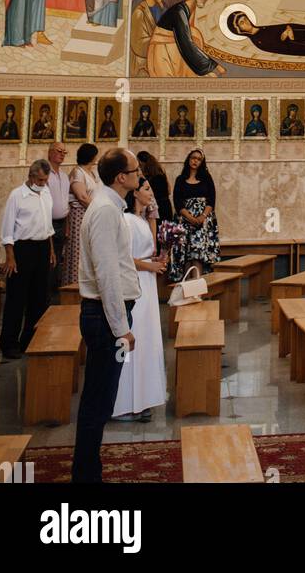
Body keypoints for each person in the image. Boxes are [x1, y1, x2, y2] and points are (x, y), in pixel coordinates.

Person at [72, 148, 140, 483]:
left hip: (107, 315)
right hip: (103, 316)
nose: (140, 174)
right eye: (135, 169)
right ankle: (85, 476)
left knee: (100, 398)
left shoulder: (110, 207)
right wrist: (121, 328)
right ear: (121, 177)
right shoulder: (103, 211)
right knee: (98, 400)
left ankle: (88, 471)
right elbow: (107, 274)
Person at [112, 177, 167, 422]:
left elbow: (145, 252)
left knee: (145, 339)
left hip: (147, 282)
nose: (151, 193)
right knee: (130, 342)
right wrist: (149, 266)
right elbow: (123, 257)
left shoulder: (142, 220)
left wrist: (157, 262)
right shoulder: (126, 220)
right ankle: (122, 403)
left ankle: (142, 398)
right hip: (135, 283)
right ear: (134, 194)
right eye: (146, 189)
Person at [0, 158, 55, 359]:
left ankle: (30, 339)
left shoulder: (46, 192)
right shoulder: (17, 196)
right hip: (22, 249)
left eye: (45, 180)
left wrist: (50, 250)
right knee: (17, 298)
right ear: (31, 177)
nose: (42, 184)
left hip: (42, 247)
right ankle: (9, 343)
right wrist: (10, 257)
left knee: (39, 297)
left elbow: (47, 225)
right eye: (39, 180)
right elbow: (7, 229)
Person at [167, 148, 220, 281]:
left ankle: (197, 291)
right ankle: (186, 291)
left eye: (198, 159)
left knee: (198, 255)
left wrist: (202, 217)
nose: (195, 161)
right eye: (193, 158)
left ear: (202, 162)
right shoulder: (180, 179)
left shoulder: (206, 178)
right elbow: (177, 201)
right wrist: (189, 217)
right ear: (188, 160)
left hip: (202, 222)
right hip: (184, 220)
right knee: (185, 256)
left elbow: (211, 200)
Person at [62, 142, 99, 286]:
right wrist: (98, 209)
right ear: (91, 156)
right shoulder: (78, 172)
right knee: (78, 251)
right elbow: (82, 197)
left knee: (89, 251)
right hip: (79, 215)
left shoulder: (92, 172)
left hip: (90, 214)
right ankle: (73, 285)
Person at [46, 140, 70, 289]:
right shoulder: (44, 173)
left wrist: (67, 226)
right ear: (50, 152)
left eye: (64, 152)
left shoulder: (64, 175)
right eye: (58, 151)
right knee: (48, 258)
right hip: (48, 222)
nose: (62, 155)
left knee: (58, 258)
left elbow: (66, 202)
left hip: (62, 223)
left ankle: (54, 292)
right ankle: (45, 295)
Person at [136, 150, 173, 222]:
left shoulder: (147, 178)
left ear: (141, 163)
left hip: (156, 209)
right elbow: (169, 191)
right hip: (166, 206)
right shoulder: (161, 173)